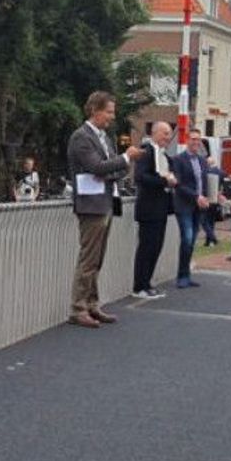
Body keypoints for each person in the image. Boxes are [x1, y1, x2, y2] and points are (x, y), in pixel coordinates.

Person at [65, 91, 141, 327]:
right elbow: (97, 167)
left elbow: (112, 170)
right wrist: (126, 158)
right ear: (95, 111)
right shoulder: (81, 137)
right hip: (90, 204)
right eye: (108, 111)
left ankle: (92, 304)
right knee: (88, 258)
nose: (112, 116)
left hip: (105, 201)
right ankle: (78, 308)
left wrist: (118, 166)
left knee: (97, 258)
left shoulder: (104, 138)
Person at [131, 120, 176, 299]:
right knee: (146, 248)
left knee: (156, 247)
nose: (168, 137)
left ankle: (147, 283)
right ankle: (139, 285)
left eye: (169, 134)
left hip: (161, 208)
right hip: (148, 208)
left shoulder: (165, 157)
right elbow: (140, 177)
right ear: (155, 133)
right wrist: (165, 181)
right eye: (165, 133)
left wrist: (172, 179)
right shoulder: (146, 152)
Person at [172, 130, 213, 287]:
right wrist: (196, 197)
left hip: (199, 207)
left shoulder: (202, 161)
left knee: (193, 239)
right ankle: (181, 276)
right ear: (187, 140)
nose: (196, 142)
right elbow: (178, 184)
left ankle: (187, 275)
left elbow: (204, 182)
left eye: (199, 139)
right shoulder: (179, 160)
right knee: (187, 238)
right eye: (193, 139)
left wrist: (211, 197)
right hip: (184, 205)